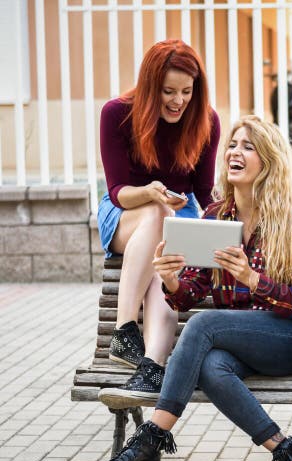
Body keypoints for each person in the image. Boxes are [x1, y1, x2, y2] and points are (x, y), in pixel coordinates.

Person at [90, 117, 292, 461]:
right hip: (235, 345)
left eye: (248, 146)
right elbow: (190, 296)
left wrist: (252, 277)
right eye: (233, 144)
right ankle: (289, 453)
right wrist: (172, 280)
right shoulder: (215, 217)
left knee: (203, 325)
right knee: (212, 367)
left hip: (290, 339)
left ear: (268, 160)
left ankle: (149, 442)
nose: (234, 152)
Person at [97, 39, 220, 406]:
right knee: (157, 214)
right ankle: (123, 329)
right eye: (168, 91)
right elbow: (118, 190)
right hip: (126, 213)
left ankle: (152, 365)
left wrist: (224, 222)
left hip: (172, 215)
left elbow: (203, 192)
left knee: (165, 268)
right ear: (151, 87)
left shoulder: (206, 120)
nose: (178, 101)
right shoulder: (116, 113)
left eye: (186, 91)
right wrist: (152, 192)